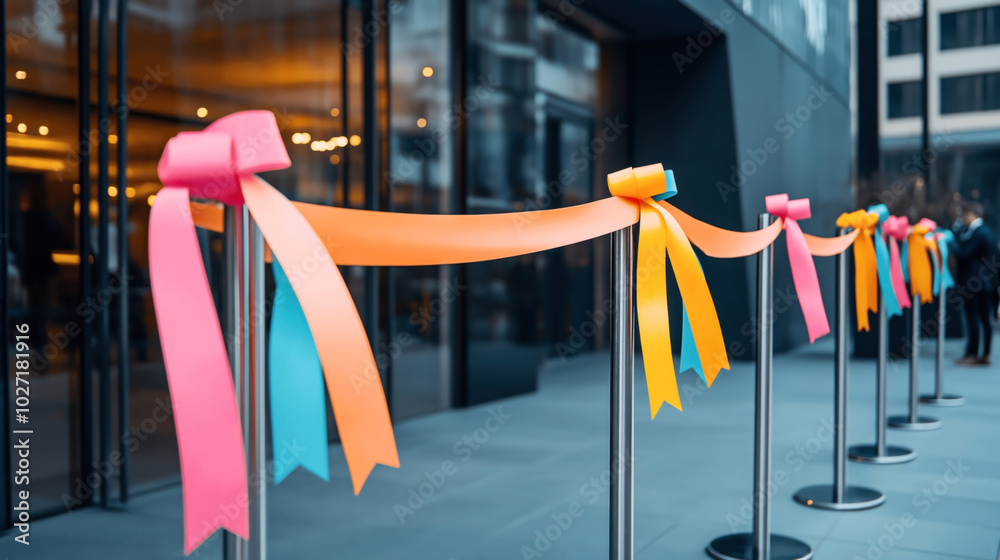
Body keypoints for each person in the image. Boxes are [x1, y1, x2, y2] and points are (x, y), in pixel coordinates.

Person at [950, 202, 999, 366]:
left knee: (973, 319)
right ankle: (985, 354)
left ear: (971, 214)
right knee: (984, 319)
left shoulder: (979, 233)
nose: (962, 219)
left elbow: (964, 254)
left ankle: (972, 354)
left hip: (974, 284)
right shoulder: (987, 231)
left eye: (964, 215)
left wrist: (950, 243)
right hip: (986, 283)